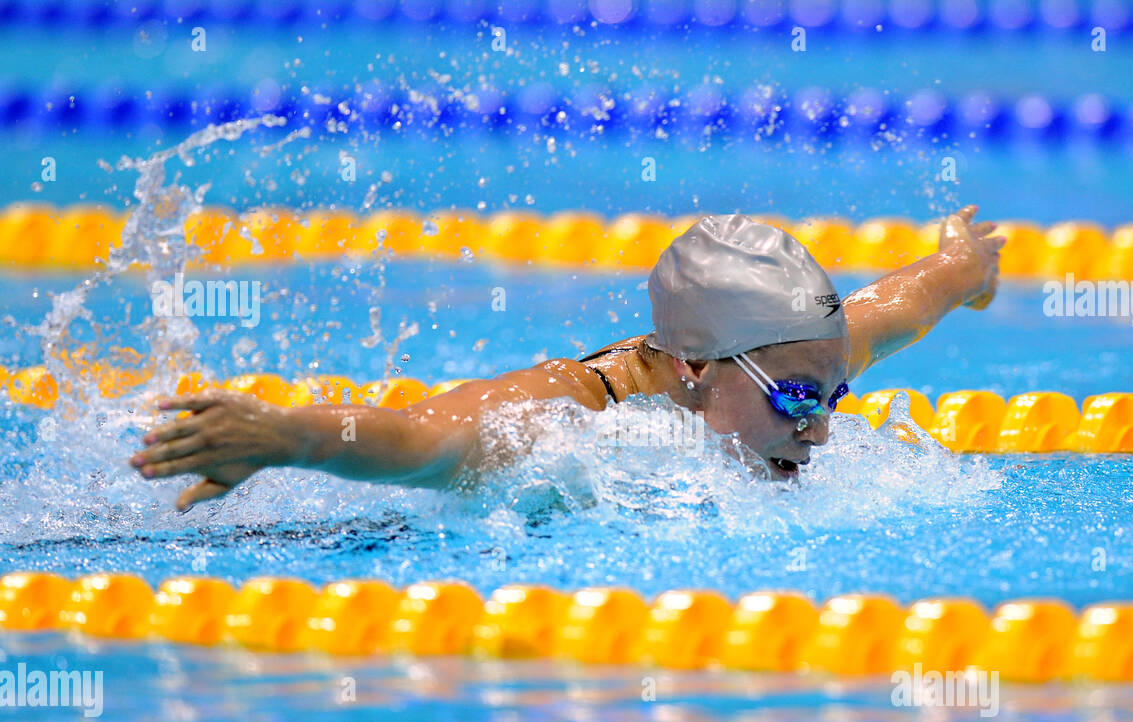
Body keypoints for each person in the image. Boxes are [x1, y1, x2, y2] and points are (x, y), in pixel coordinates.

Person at [130, 206, 1004, 512]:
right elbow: (425, 441)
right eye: (802, 399)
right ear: (695, 371)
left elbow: (904, 304)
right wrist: (289, 437)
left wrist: (963, 268)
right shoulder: (573, 414)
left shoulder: (791, 355)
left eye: (835, 391)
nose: (820, 429)